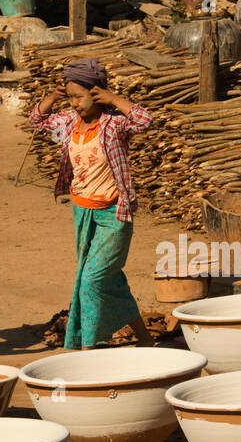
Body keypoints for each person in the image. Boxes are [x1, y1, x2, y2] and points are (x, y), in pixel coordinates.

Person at [29, 58, 155, 350]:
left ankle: (87, 346)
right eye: (70, 97)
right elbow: (36, 120)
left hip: (114, 214)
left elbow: (146, 121)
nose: (73, 104)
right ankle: (145, 339)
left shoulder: (114, 125)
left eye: (78, 97)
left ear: (96, 93)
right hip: (82, 211)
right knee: (109, 280)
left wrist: (114, 99)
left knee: (91, 281)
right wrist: (53, 97)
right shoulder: (69, 122)